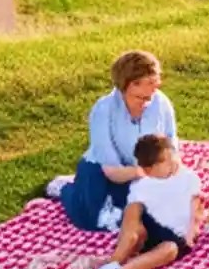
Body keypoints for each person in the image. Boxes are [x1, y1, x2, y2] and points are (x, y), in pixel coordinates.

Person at [53, 50, 178, 231]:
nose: (145, 101)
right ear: (124, 87)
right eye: (139, 96)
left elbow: (171, 144)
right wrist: (143, 172)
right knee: (95, 221)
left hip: (144, 172)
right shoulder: (104, 110)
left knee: (150, 219)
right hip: (105, 170)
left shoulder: (162, 103)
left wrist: (168, 169)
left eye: (150, 92)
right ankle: (64, 188)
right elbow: (111, 170)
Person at [94, 134, 203, 269]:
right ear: (148, 169)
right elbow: (133, 214)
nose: (172, 163)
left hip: (175, 236)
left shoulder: (187, 178)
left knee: (169, 250)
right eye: (166, 161)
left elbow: (197, 208)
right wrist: (132, 230)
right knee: (132, 212)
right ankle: (116, 259)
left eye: (173, 157)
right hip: (149, 230)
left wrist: (192, 230)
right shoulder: (141, 185)